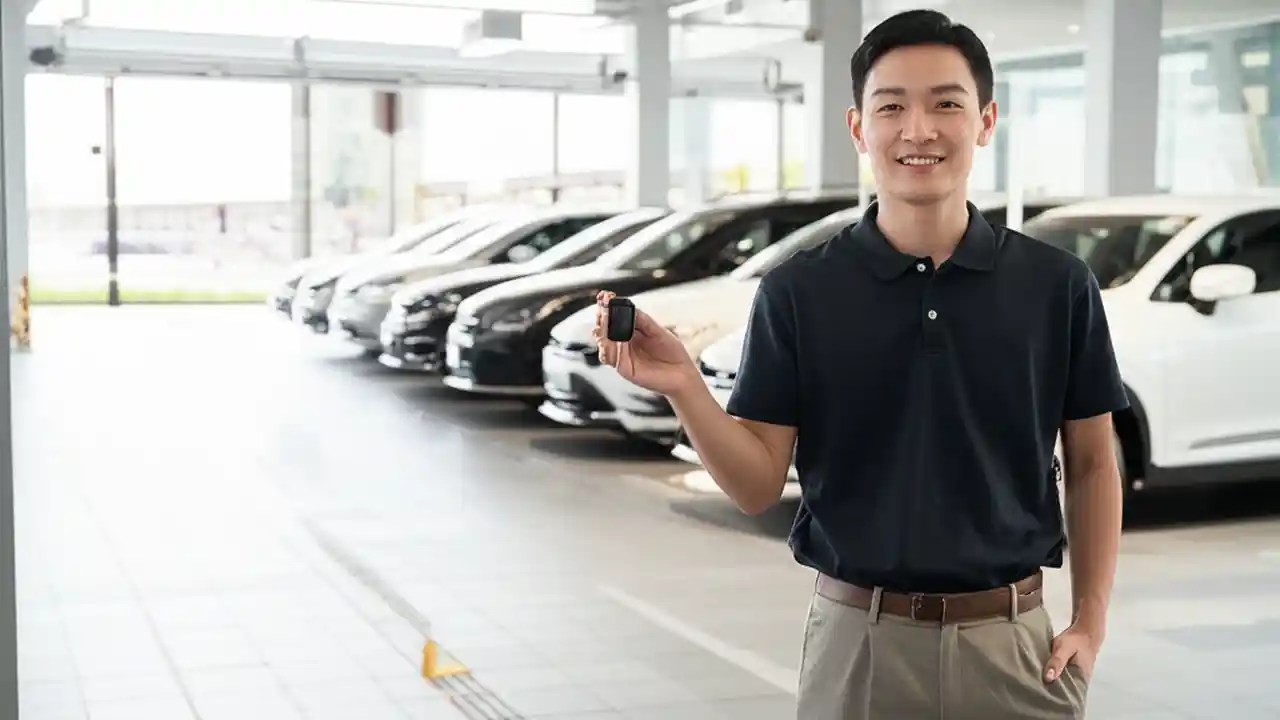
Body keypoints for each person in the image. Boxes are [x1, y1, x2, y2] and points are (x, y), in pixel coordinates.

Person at [592, 9, 1126, 720]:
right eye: (892, 107)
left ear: (986, 120)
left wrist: (1090, 620)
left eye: (946, 104)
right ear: (858, 127)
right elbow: (756, 485)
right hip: (859, 648)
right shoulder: (799, 291)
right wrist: (684, 386)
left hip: (1014, 648)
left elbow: (1091, 463)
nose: (918, 130)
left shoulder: (1057, 286)